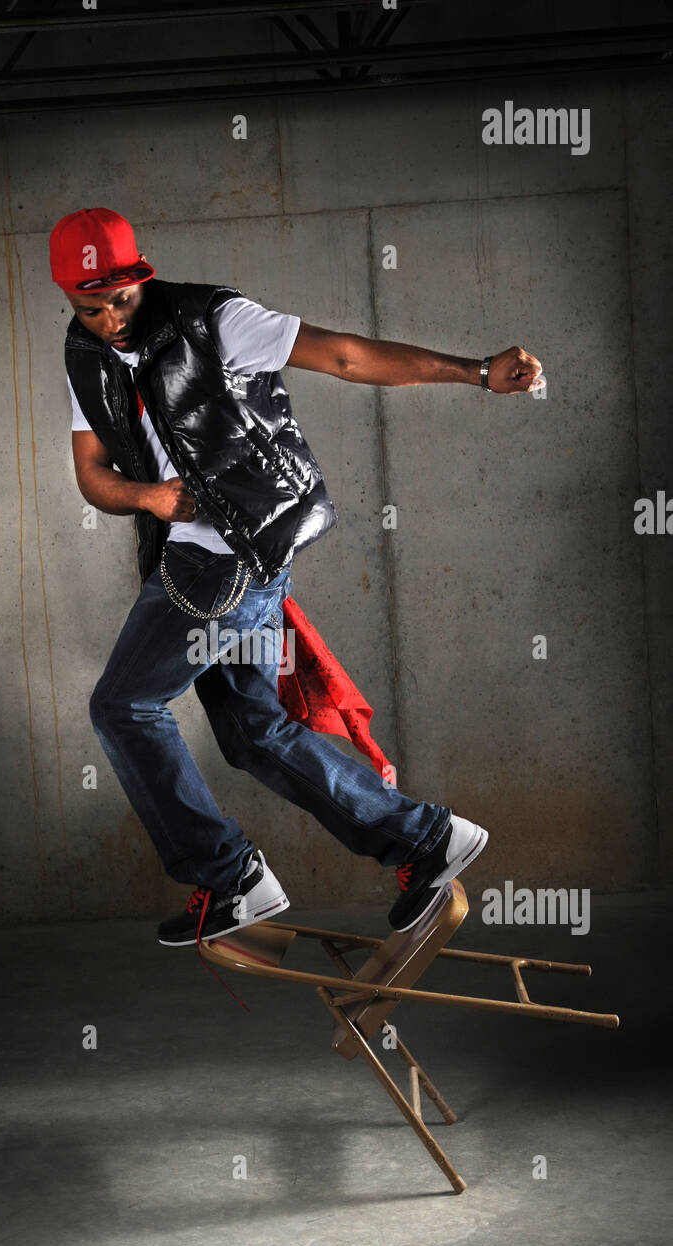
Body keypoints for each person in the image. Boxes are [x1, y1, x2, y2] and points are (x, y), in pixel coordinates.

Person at [49, 207, 544, 947]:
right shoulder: (82, 358)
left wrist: (473, 372)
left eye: (122, 297)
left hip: (227, 561)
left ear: (141, 275)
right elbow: (92, 474)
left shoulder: (211, 319)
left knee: (123, 707)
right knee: (255, 731)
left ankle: (229, 877)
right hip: (191, 557)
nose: (112, 318)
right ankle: (421, 841)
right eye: (93, 306)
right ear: (69, 298)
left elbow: (345, 356)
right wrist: (148, 496)